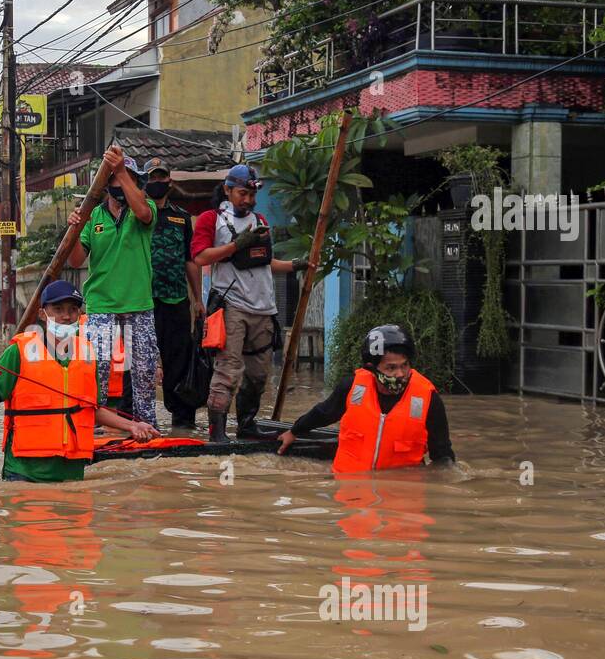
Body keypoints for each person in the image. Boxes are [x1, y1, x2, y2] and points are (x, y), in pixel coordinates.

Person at [0, 280, 157, 483]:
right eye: (58, 309)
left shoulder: (87, 354)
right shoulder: (18, 352)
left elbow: (91, 410)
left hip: (72, 473)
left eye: (73, 310)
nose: (66, 316)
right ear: (42, 314)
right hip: (25, 473)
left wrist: (132, 426)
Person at [191, 163, 306, 443]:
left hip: (263, 308)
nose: (248, 200)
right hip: (231, 306)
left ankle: (247, 424)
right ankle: (216, 432)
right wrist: (235, 245)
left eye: (252, 195)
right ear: (228, 190)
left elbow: (265, 263)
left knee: (258, 374)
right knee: (228, 370)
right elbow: (200, 257)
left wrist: (295, 265)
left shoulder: (261, 221)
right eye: (243, 193)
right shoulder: (211, 219)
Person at [66, 145, 158, 428]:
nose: (121, 183)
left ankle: (147, 426)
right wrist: (72, 228)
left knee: (144, 369)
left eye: (128, 177)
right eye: (117, 178)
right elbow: (75, 259)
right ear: (107, 185)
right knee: (98, 368)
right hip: (102, 302)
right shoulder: (94, 216)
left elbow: (143, 212)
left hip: (139, 302)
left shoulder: (145, 208)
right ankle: (92, 425)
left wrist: (120, 168)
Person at [278, 324, 456, 471]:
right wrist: (294, 431)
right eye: (391, 368)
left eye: (405, 366)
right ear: (372, 368)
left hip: (401, 493)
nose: (400, 374)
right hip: (349, 489)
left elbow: (442, 454)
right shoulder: (352, 388)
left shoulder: (427, 398)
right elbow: (323, 413)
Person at [142, 157, 204, 429]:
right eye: (152, 178)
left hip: (177, 299)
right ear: (144, 182)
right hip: (142, 301)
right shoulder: (138, 215)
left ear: (170, 181)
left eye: (161, 177)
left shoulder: (181, 217)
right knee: (142, 360)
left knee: (178, 358)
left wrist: (198, 299)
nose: (157, 182)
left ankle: (182, 420)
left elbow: (190, 260)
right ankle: (140, 419)